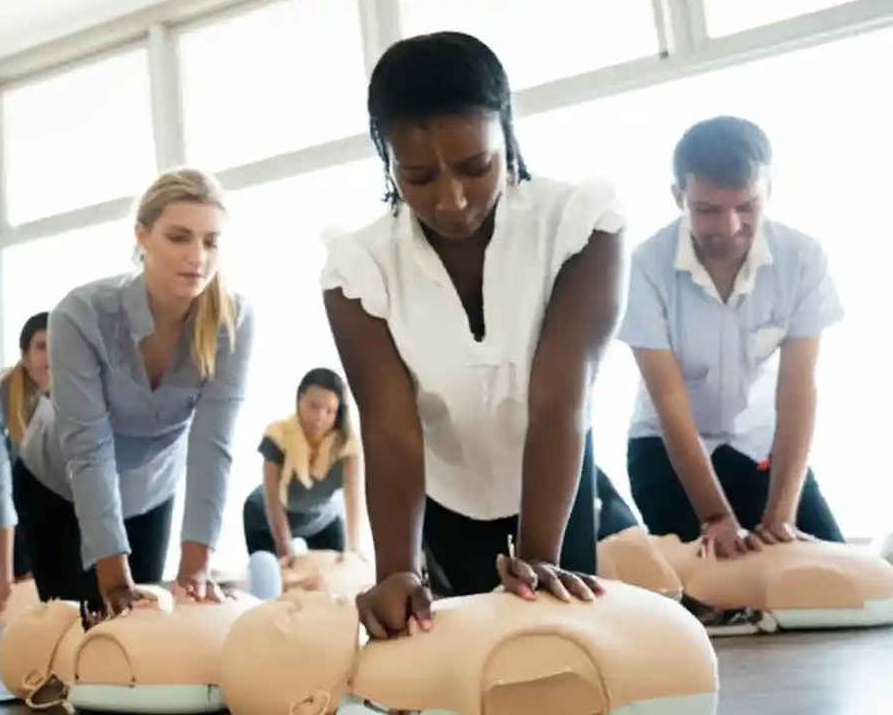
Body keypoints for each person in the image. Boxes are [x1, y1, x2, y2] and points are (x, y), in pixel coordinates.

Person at [320, 31, 627, 639]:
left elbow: (561, 394)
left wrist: (538, 558)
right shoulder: (359, 270)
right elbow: (390, 428)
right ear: (387, 160)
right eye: (417, 176)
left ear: (506, 132)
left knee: (561, 647)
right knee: (464, 658)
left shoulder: (580, 226)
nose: (452, 201)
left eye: (475, 167)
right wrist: (395, 570)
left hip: (556, 475)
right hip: (440, 494)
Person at [15, 166, 255, 620]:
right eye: (179, 237)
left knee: (141, 631)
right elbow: (88, 448)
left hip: (148, 490)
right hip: (57, 483)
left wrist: (196, 566)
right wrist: (113, 578)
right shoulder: (81, 314)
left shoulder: (234, 320)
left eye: (211, 242)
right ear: (142, 234)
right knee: (75, 628)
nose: (197, 257)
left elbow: (213, 445)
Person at [617, 115, 845, 558]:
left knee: (830, 570)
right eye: (708, 210)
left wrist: (781, 516)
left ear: (768, 191)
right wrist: (715, 516)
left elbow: (797, 389)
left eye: (746, 206)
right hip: (665, 450)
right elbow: (668, 398)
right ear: (678, 197)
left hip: (757, 445)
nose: (730, 226)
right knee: (715, 580)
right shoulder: (647, 265)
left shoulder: (802, 259)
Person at [242, 367, 364, 559]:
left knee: (339, 571)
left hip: (322, 520)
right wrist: (285, 549)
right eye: (313, 406)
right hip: (265, 517)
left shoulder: (348, 447)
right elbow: (272, 501)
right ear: (299, 399)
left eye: (329, 411)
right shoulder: (277, 435)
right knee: (271, 572)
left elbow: (353, 499)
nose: (319, 417)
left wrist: (353, 551)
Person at [0, 312, 50, 612]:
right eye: (41, 346)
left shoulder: (81, 392)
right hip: (23, 502)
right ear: (25, 357)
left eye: (59, 347)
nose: (50, 356)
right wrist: (4, 578)